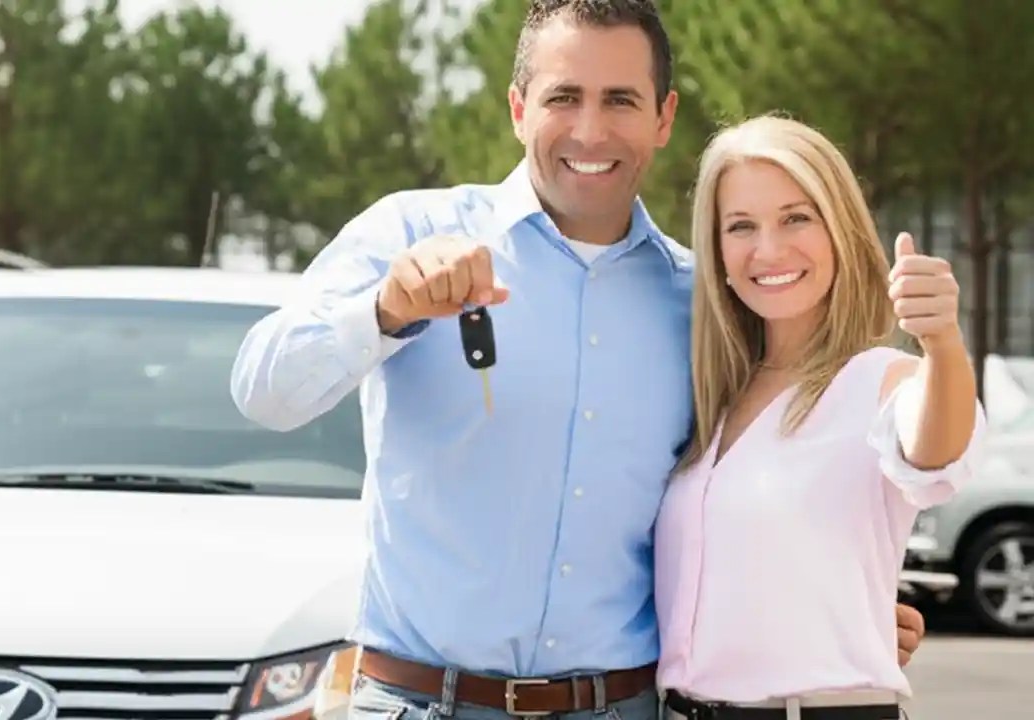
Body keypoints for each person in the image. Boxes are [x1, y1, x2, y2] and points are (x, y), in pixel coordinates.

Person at [231, 3, 925, 719]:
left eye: (620, 100)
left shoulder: (711, 307)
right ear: (517, 109)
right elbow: (263, 391)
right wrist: (385, 309)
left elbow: (752, 492)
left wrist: (839, 606)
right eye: (564, 96)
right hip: (418, 703)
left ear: (663, 117)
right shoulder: (410, 232)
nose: (591, 131)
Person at [653, 115, 985, 719]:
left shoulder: (885, 380)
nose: (770, 249)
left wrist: (941, 342)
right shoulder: (711, 399)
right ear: (718, 250)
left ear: (841, 230)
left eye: (796, 218)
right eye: (741, 226)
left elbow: (934, 448)